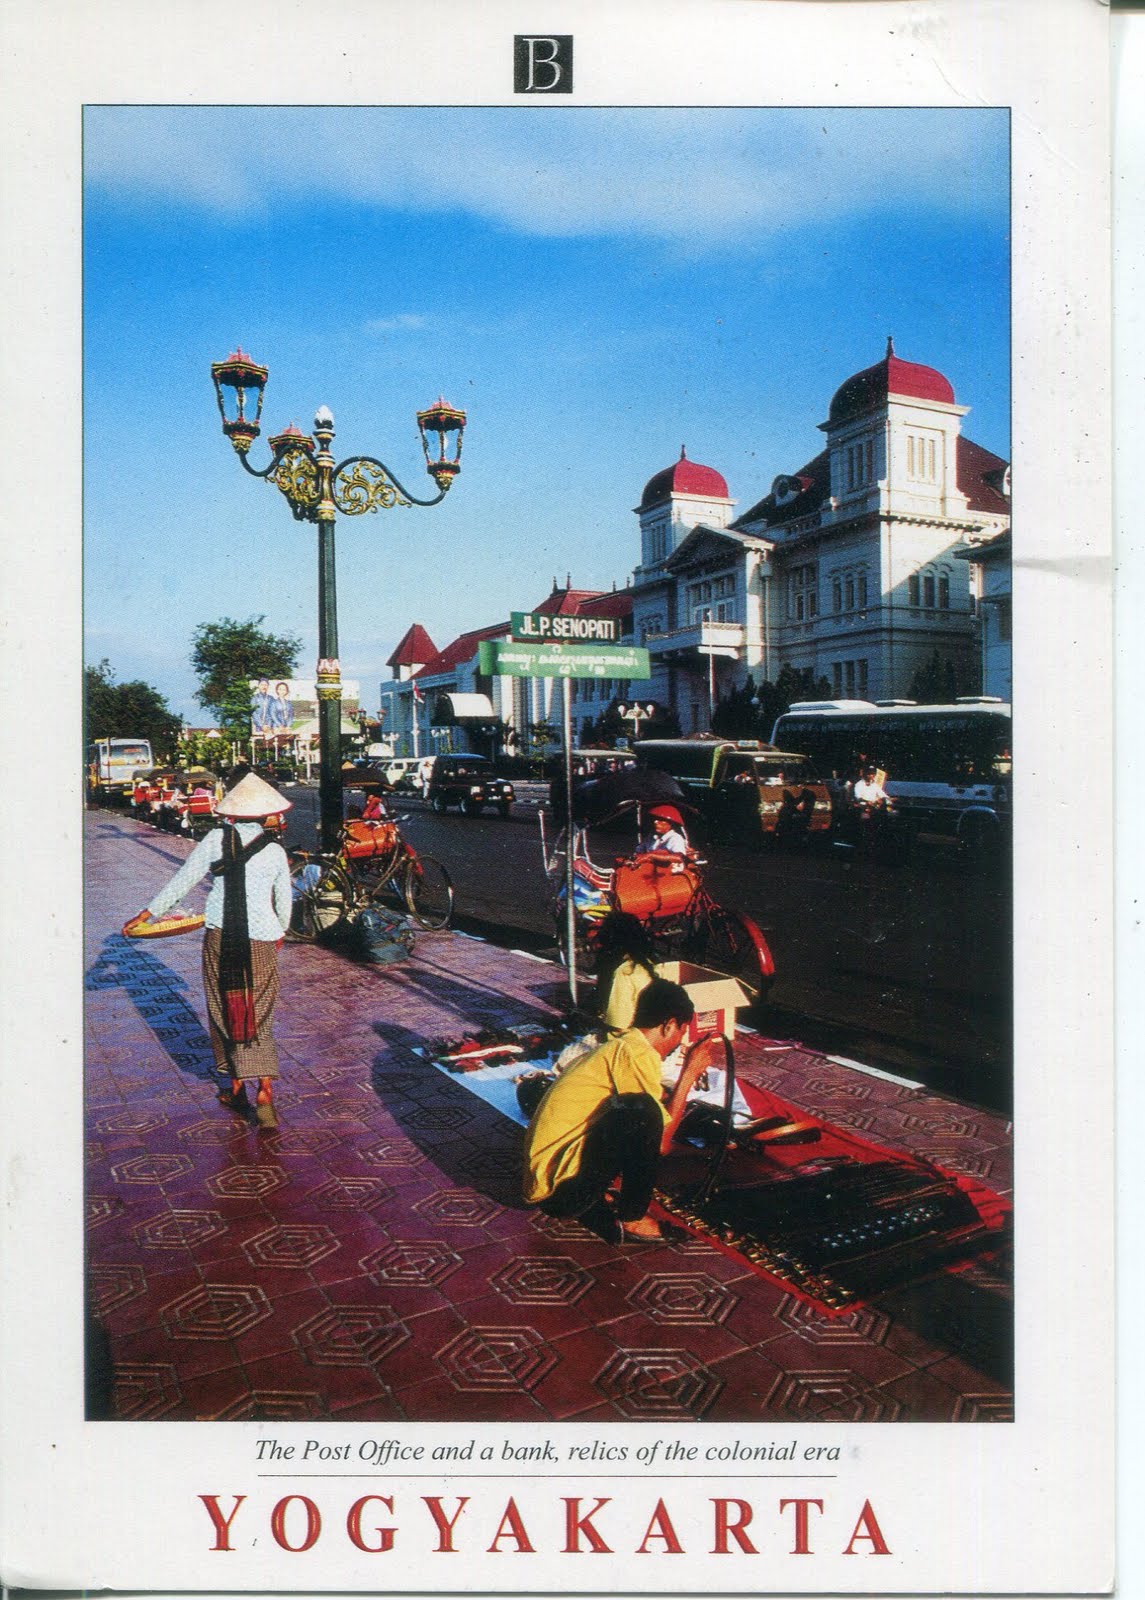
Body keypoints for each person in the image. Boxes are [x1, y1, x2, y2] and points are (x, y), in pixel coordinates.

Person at [129, 773, 293, 1129]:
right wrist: (279, 930)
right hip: (263, 936)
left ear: (232, 812)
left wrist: (150, 912)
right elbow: (284, 900)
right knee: (259, 1006)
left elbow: (185, 878)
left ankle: (235, 1086)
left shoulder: (216, 839)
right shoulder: (276, 850)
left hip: (221, 932)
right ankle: (264, 1088)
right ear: (266, 814)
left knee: (224, 1003)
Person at [522, 978, 714, 1241]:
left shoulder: (624, 1045)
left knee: (641, 1108)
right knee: (644, 1111)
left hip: (548, 1184)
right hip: (559, 1192)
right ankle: (632, 1217)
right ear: (669, 1026)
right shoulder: (637, 1054)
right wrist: (689, 1074)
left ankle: (598, 1196)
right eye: (682, 1032)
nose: (680, 1042)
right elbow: (661, 1143)